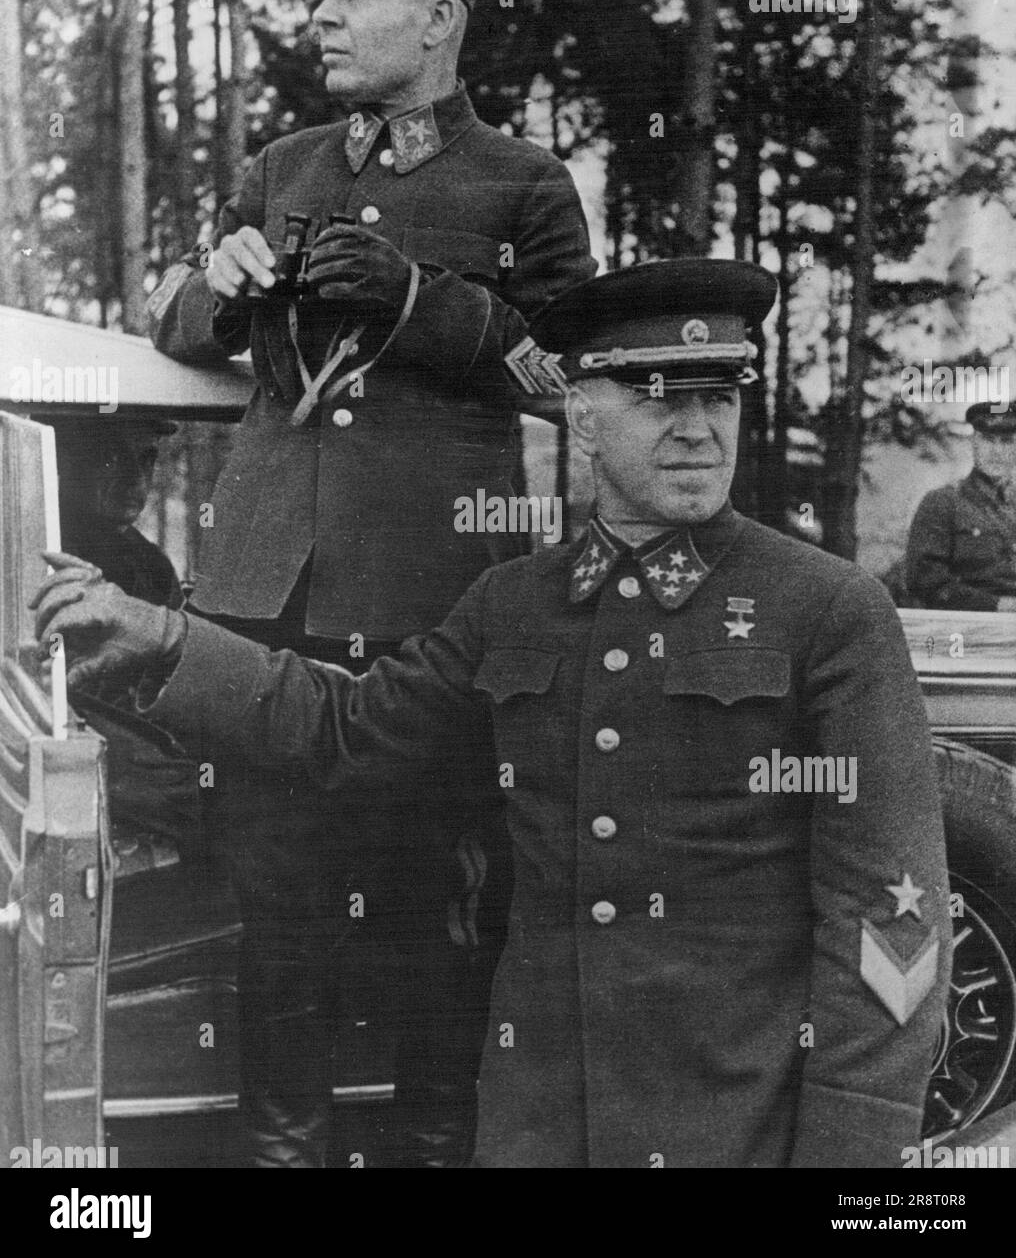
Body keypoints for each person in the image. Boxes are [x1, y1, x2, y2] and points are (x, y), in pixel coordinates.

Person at [36, 258, 952, 1168]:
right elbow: (345, 730)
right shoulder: (514, 603)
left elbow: (891, 921)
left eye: (721, 396)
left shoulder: (826, 610)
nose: (698, 429)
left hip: (737, 1123)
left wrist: (851, 1165)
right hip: (535, 1122)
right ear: (582, 415)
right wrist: (158, 638)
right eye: (657, 396)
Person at [143, 0, 597, 1166]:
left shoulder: (521, 183)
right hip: (267, 611)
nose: (322, 19)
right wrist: (212, 290)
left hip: (430, 623)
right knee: (274, 935)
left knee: (437, 942)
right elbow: (176, 319)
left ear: (439, 18)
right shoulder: (278, 168)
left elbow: (575, 382)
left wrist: (424, 304)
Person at [34, 414, 199, 865]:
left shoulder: (149, 563)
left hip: (140, 739)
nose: (135, 479)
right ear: (63, 462)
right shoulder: (37, 544)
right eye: (110, 458)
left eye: (146, 459)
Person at [906, 400, 1016, 611]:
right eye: (988, 440)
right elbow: (924, 581)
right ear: (973, 442)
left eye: (1007, 441)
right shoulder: (943, 503)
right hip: (967, 626)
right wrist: (998, 605)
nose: (998, 451)